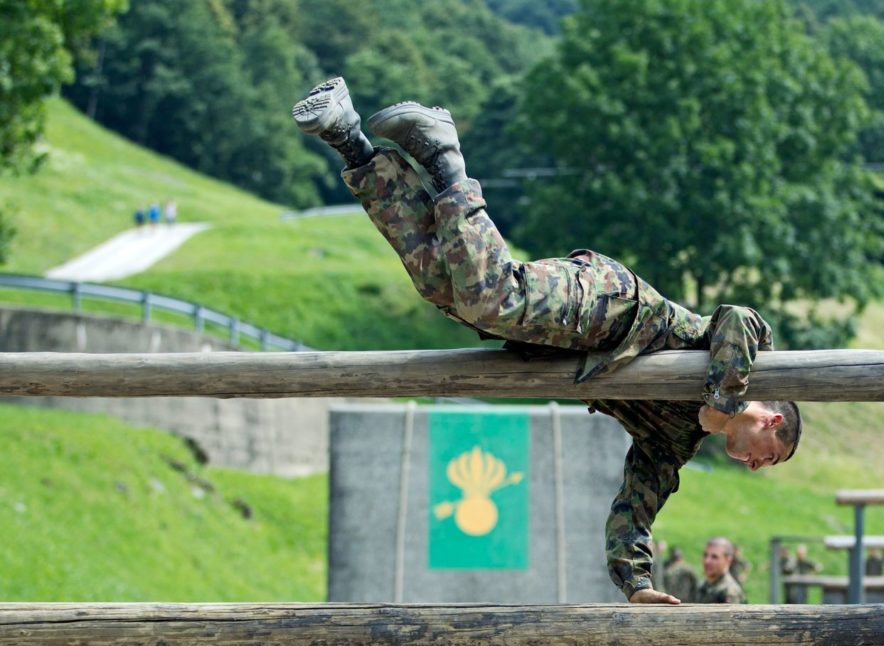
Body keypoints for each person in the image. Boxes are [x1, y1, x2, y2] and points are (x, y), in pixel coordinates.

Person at [293, 77, 802, 604]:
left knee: (441, 284)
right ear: (772, 420)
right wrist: (721, 404)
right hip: (612, 307)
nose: (758, 465)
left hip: (565, 346)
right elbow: (739, 318)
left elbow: (633, 509)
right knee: (490, 296)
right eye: (772, 455)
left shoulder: (673, 443)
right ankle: (444, 153)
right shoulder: (745, 364)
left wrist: (637, 585)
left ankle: (350, 141)